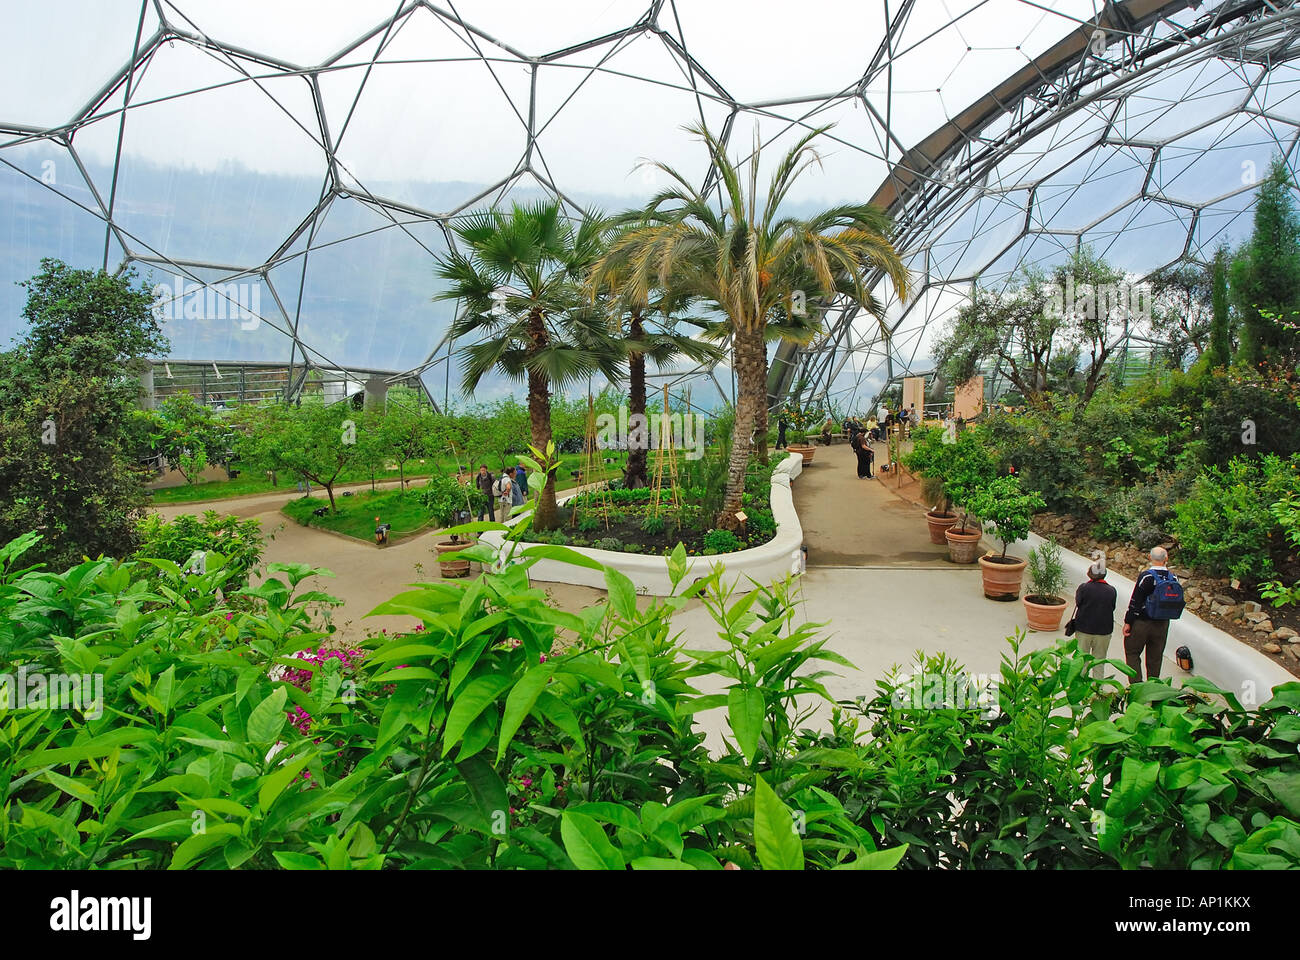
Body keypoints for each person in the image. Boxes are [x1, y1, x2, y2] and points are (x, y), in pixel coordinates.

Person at [1122, 546, 1177, 682]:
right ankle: (1153, 688)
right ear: (1166, 558)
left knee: (1133, 653)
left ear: (1150, 558)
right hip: (1162, 624)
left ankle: (1137, 688)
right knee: (1155, 658)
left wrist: (1128, 621)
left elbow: (1136, 601)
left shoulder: (1146, 576)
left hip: (1142, 622)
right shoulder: (1173, 577)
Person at [1073, 551, 1118, 679]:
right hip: (1104, 631)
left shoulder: (1084, 588)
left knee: (1082, 660)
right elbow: (1112, 607)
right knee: (1099, 661)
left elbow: (1079, 603)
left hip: (1084, 628)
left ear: (1089, 573)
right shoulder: (1111, 590)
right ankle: (1098, 689)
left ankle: (1080, 687)